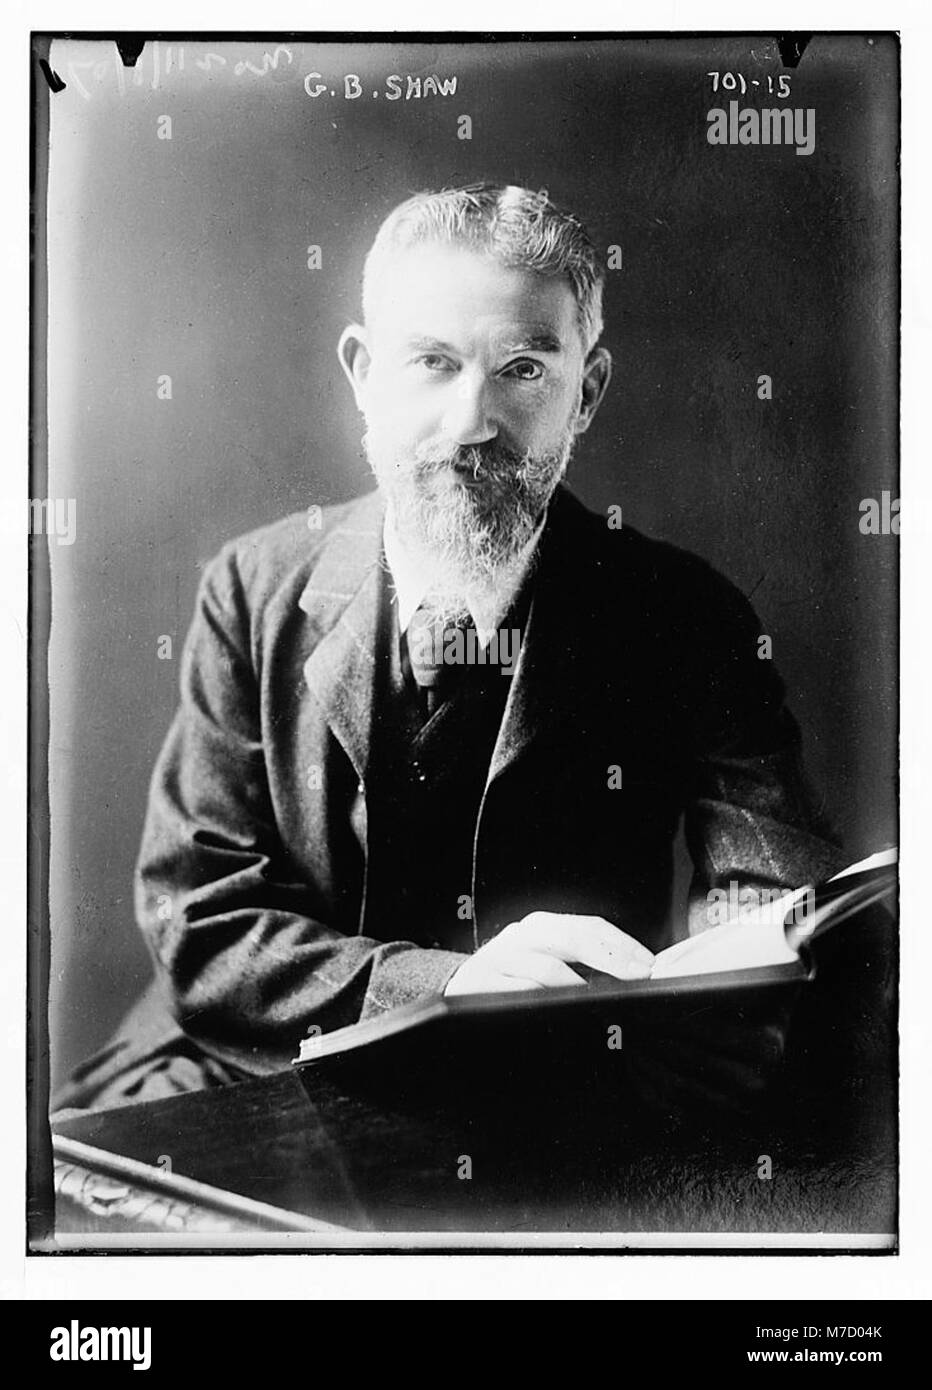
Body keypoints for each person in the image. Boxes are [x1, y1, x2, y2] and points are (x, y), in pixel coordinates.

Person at [55, 183, 844, 1113]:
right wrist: (442, 987)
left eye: (521, 370)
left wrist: (721, 989)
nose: (470, 423)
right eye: (433, 361)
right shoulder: (250, 588)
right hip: (256, 1063)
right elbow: (200, 923)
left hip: (561, 1077)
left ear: (586, 393)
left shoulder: (689, 618)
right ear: (362, 374)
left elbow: (779, 901)